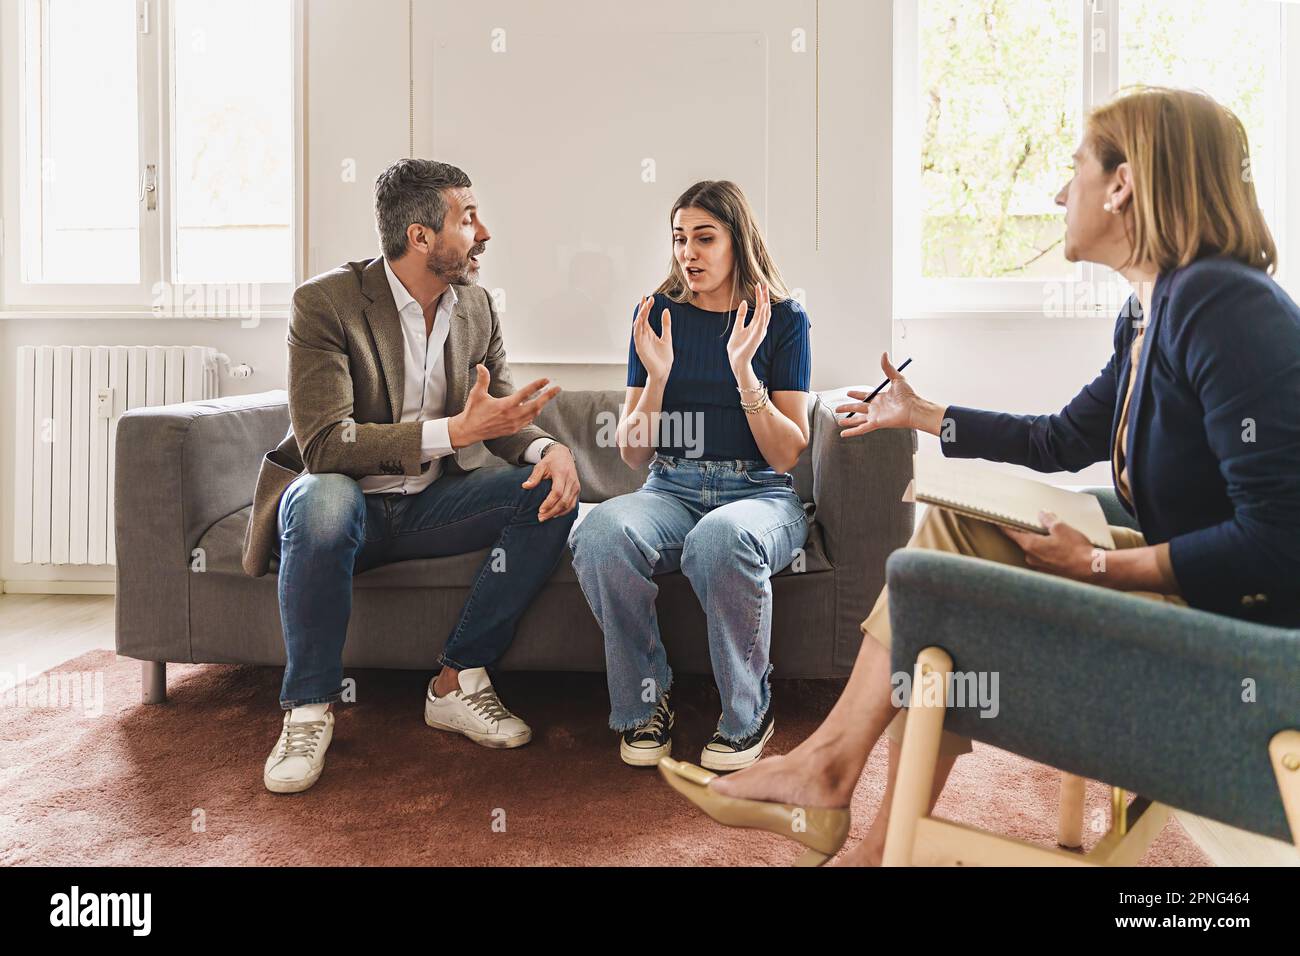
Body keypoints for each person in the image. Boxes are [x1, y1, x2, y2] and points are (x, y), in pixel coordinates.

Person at [660, 87, 1300, 863]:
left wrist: (1102, 563)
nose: (1062, 192)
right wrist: (921, 412)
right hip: (1187, 602)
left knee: (942, 597)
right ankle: (847, 808)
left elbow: (1280, 541)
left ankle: (831, 778)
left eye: (1076, 170)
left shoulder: (1225, 304)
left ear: (1123, 185)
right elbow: (1065, 437)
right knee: (954, 528)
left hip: (1238, 647)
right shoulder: (1151, 311)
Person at [242, 159, 581, 793]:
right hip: (344, 510)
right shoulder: (326, 304)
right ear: (421, 236)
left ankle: (457, 679)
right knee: (321, 499)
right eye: (468, 218)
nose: (484, 234)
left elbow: (500, 418)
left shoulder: (476, 307)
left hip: (431, 507)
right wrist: (450, 434)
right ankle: (308, 710)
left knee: (550, 496)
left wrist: (547, 452)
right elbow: (324, 445)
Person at [569, 180, 813, 771]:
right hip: (671, 487)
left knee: (721, 537)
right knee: (600, 532)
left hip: (758, 493)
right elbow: (631, 454)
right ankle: (645, 704)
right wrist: (656, 378)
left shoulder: (782, 319)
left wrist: (743, 373)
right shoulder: (656, 314)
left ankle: (747, 715)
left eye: (705, 238)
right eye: (680, 239)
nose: (688, 253)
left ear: (738, 242)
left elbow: (787, 455)